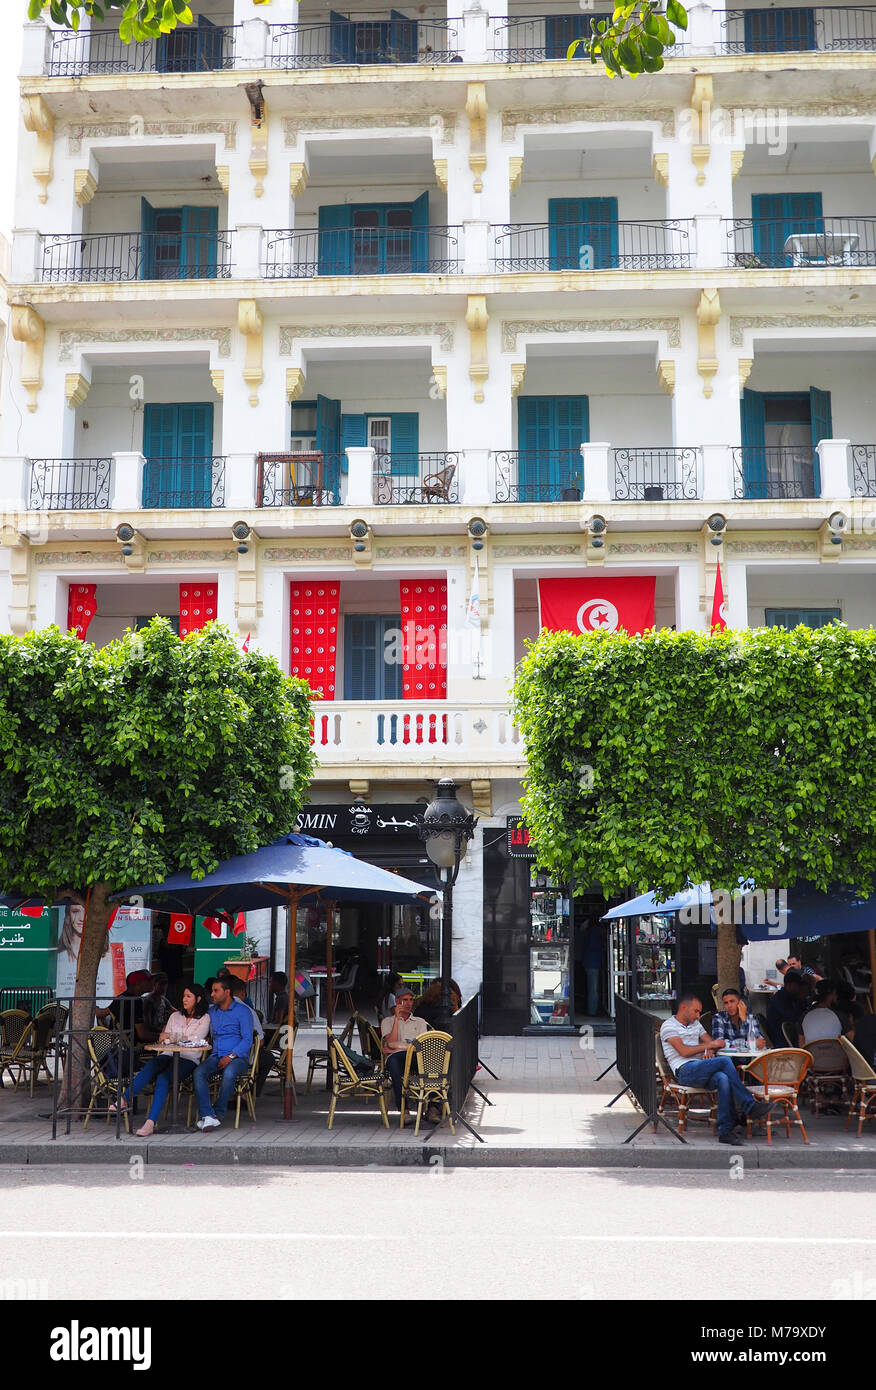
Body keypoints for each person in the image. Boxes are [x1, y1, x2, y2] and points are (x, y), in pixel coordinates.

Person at [660, 993, 773, 1145]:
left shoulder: (695, 1024)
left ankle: (725, 1131)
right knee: (725, 1061)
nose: (698, 1015)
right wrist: (709, 1046)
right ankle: (749, 1105)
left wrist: (710, 1050)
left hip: (700, 1068)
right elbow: (684, 1052)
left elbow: (713, 1042)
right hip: (684, 1071)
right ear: (683, 1008)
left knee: (723, 1079)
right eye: (696, 1011)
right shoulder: (668, 1026)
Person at [115, 983, 211, 1138]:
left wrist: (172, 1038)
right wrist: (176, 1038)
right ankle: (124, 1099)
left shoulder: (204, 1018)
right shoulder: (175, 1016)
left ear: (198, 999)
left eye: (188, 996)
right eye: (184, 996)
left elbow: (196, 1039)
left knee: (163, 1078)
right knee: (152, 1063)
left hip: (189, 1059)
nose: (184, 999)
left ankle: (150, 1123)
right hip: (168, 1054)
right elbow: (162, 1037)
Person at [192, 977, 257, 1130]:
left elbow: (248, 1040)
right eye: (212, 991)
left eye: (216, 991)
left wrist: (231, 1056)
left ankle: (216, 1113)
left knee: (229, 1073)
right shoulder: (211, 1012)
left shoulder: (243, 1011)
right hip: (216, 1055)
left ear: (227, 992)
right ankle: (207, 1115)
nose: (212, 994)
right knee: (198, 1072)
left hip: (238, 1058)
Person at [95, 971, 157, 1078]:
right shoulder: (135, 1001)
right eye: (149, 981)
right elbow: (142, 1035)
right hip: (133, 1047)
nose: (153, 983)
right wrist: (161, 1037)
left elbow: (102, 1013)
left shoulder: (121, 998)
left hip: (122, 1046)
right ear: (138, 984)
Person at [380, 985, 429, 1109]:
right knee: (393, 1063)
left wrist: (397, 1047)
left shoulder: (420, 1022)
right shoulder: (387, 1021)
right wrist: (397, 1018)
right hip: (397, 1058)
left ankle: (432, 1108)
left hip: (415, 1058)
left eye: (411, 1000)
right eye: (405, 1000)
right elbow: (391, 1042)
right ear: (397, 1002)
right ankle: (403, 1108)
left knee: (433, 1063)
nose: (409, 1003)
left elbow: (421, 1047)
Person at [766, 969, 806, 1047]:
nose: (799, 989)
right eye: (798, 986)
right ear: (789, 985)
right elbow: (793, 1017)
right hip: (780, 1038)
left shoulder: (788, 997)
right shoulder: (780, 999)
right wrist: (800, 1000)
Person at [801, 979, 845, 1043]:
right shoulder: (839, 1015)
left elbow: (801, 1044)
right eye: (835, 993)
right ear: (831, 995)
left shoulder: (804, 1016)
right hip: (835, 1052)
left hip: (811, 1052)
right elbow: (853, 1040)